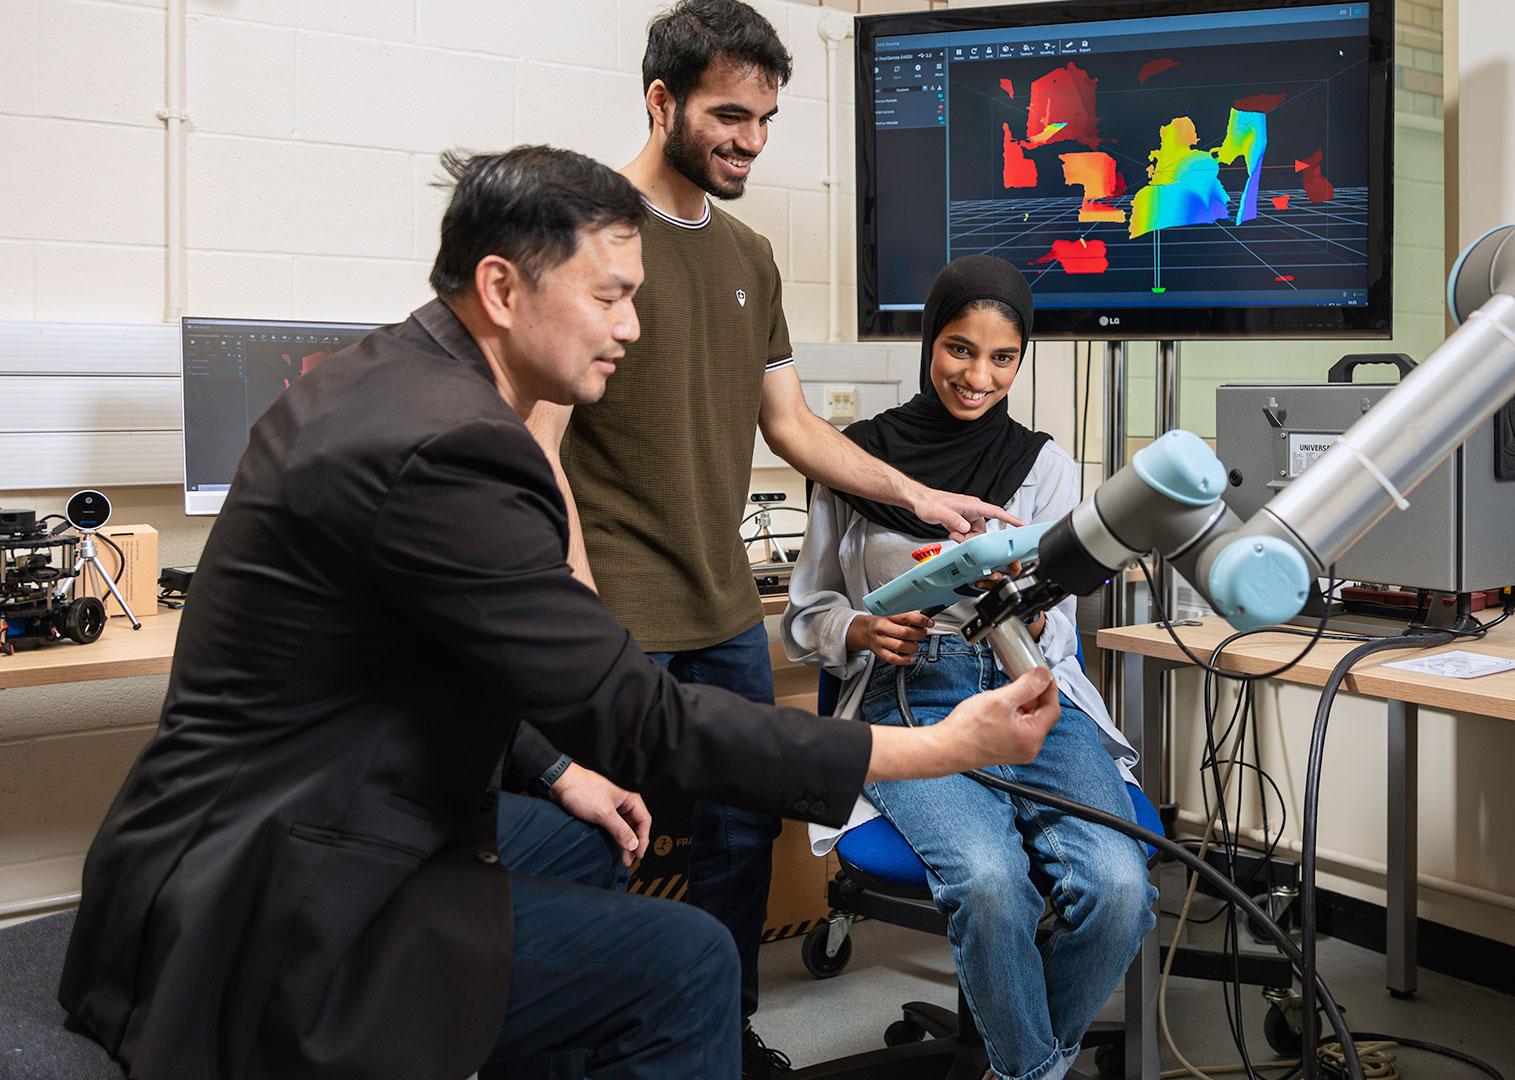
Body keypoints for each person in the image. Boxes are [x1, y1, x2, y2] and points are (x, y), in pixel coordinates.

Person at [57, 146, 1062, 1080]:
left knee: (587, 832)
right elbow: (644, 722)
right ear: (503, 289)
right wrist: (941, 748)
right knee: (688, 960)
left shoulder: (387, 377)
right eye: (610, 297)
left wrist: (557, 771)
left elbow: (430, 659)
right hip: (275, 904)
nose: (631, 327)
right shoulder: (451, 449)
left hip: (259, 827)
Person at [521, 5, 1017, 1071]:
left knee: (745, 831)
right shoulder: (587, 236)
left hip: (721, 605)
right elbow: (541, 441)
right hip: (616, 607)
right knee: (601, 833)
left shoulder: (749, 252)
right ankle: (582, 1041)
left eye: (765, 121)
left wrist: (921, 497)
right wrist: (574, 599)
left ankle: (721, 1028)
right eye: (728, 116)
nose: (749, 141)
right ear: (662, 101)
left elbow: (790, 426)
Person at [783, 256, 1157, 1080]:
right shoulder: (857, 460)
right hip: (907, 695)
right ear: (929, 341)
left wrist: (1024, 603)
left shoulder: (1043, 465)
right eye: (959, 349)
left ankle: (1019, 1065)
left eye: (1002, 357)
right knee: (988, 882)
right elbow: (804, 617)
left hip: (1025, 690)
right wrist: (859, 628)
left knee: (1120, 888)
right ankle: (1033, 1069)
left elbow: (1060, 630)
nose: (977, 377)